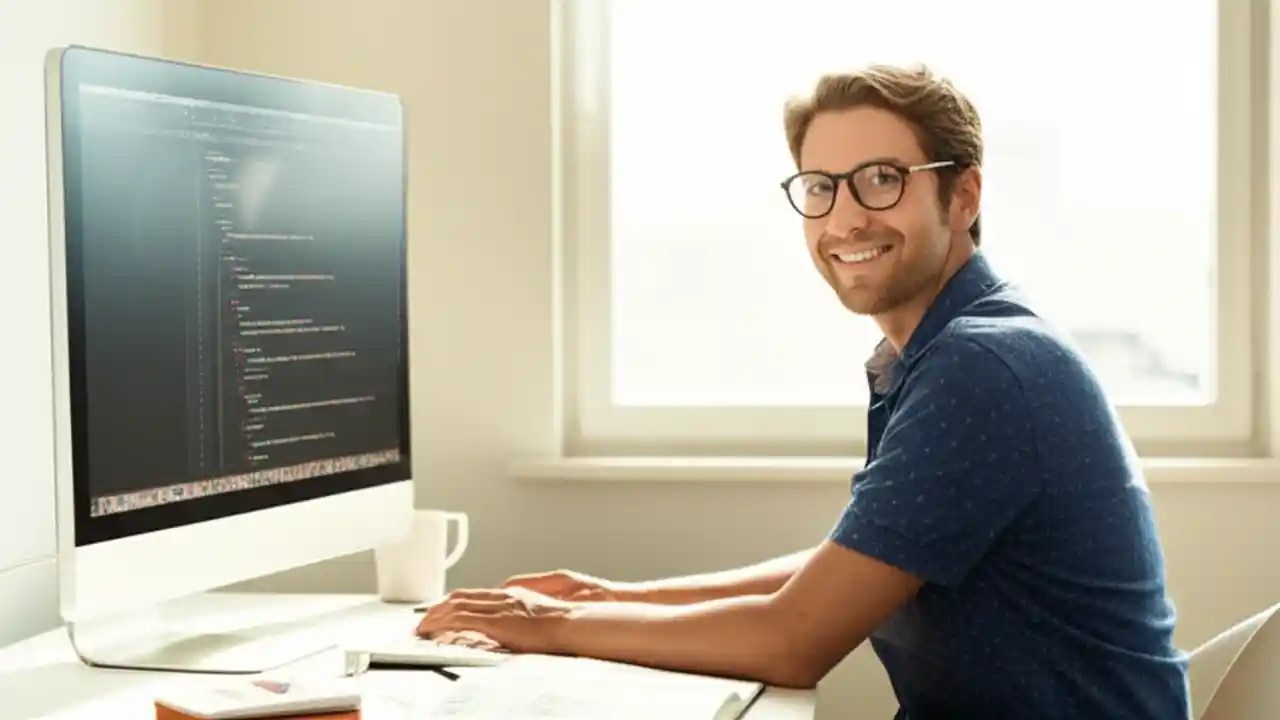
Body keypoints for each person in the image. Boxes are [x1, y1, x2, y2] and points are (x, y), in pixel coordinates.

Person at [416, 64, 1191, 718]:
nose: (845, 217)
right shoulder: (944, 351)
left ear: (963, 197)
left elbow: (794, 640)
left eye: (882, 180)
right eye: (822, 186)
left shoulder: (983, 367)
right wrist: (609, 597)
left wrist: (552, 627)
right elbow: (853, 563)